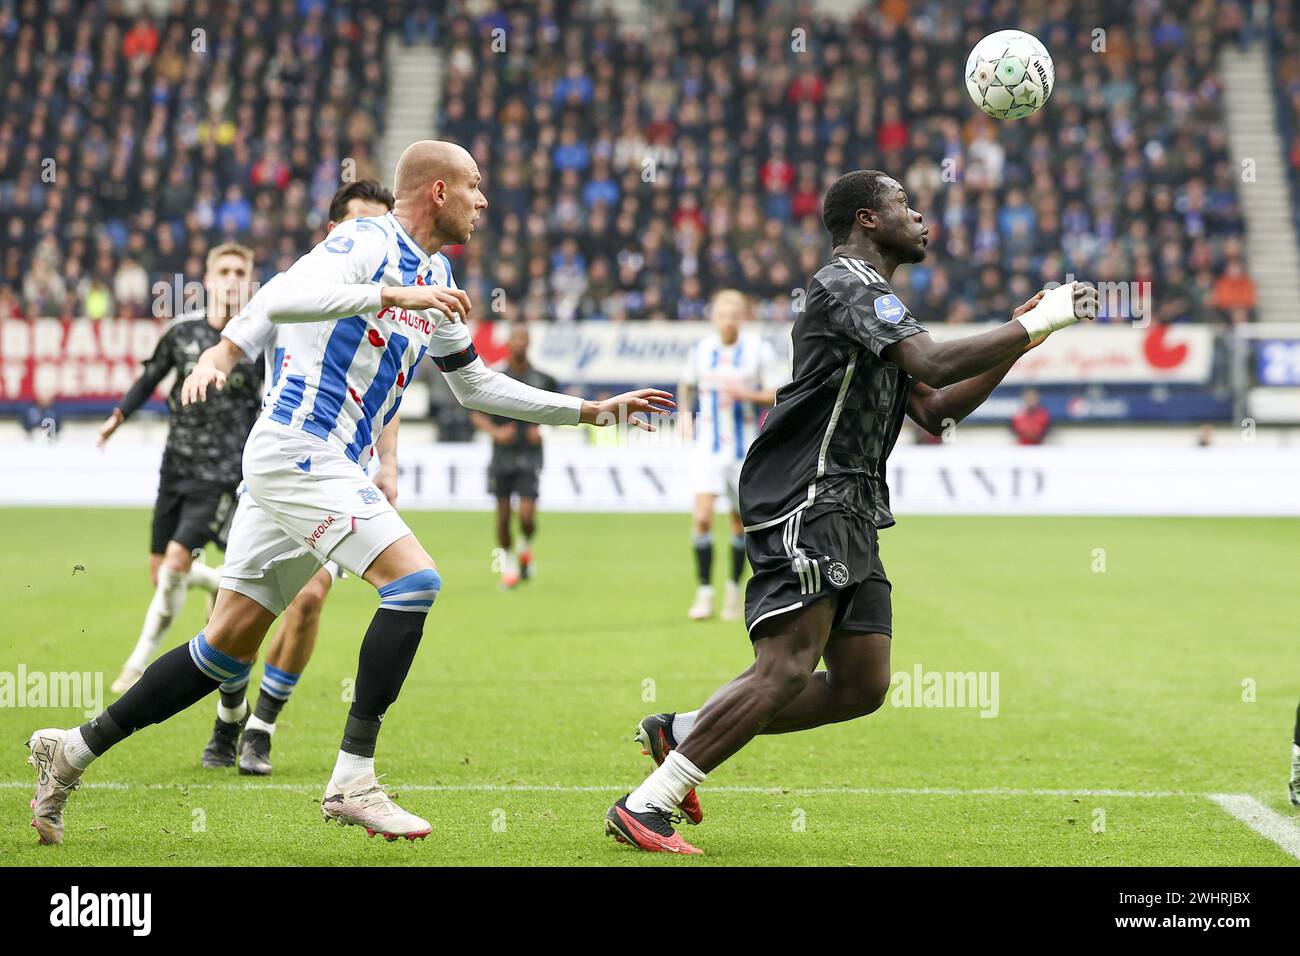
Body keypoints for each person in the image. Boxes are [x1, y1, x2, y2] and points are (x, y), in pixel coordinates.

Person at [26, 140, 673, 846]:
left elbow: (476, 384)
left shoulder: (438, 274)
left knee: (222, 650)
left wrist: (586, 410)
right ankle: (353, 779)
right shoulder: (368, 239)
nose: (484, 201)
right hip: (298, 448)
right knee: (416, 581)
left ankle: (71, 751)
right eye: (475, 186)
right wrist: (255, 339)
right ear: (436, 191)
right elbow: (283, 295)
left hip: (312, 465)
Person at [605, 170, 1097, 853]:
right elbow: (931, 359)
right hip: (808, 494)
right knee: (786, 667)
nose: (920, 216)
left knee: (862, 684)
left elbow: (932, 405)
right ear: (867, 219)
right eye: (905, 205)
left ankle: (679, 732)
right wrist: (1033, 320)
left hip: (855, 504)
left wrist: (1023, 342)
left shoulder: (877, 301)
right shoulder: (847, 283)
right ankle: (644, 805)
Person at [183, 179, 397, 775]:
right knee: (237, 611)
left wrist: (391, 465)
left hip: (341, 472)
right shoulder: (300, 289)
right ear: (333, 233)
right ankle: (228, 713)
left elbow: (387, 395)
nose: (377, 240)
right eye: (362, 226)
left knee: (310, 597)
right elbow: (239, 336)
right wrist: (216, 355)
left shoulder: (387, 305)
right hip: (276, 465)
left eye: (384, 228)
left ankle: (262, 726)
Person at [97, 243, 263, 694]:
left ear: (248, 282)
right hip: (175, 468)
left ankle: (135, 667)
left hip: (223, 474)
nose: (230, 278)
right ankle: (217, 583)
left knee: (174, 564)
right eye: (223, 270)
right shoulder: (181, 332)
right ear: (208, 280)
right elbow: (150, 378)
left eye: (239, 271)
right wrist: (119, 416)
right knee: (162, 575)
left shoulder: (258, 340)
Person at [678, 290, 786, 621]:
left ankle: (732, 590)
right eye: (723, 313)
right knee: (702, 517)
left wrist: (747, 394)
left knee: (740, 523)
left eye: (735, 312)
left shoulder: (758, 350)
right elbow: (686, 385)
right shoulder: (701, 351)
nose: (729, 318)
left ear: (743, 316)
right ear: (714, 317)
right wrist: (685, 415)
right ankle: (704, 592)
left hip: (744, 450)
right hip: (708, 448)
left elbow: (778, 394)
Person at [468, 323, 559, 589]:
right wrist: (495, 432)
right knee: (504, 515)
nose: (519, 343)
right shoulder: (494, 376)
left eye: (524, 338)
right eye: (515, 339)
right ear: (508, 343)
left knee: (528, 516)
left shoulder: (543, 379)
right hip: (502, 456)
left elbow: (561, 409)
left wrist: (542, 430)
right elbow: (474, 411)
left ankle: (525, 548)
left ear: (529, 343)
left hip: (530, 456)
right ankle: (508, 567)